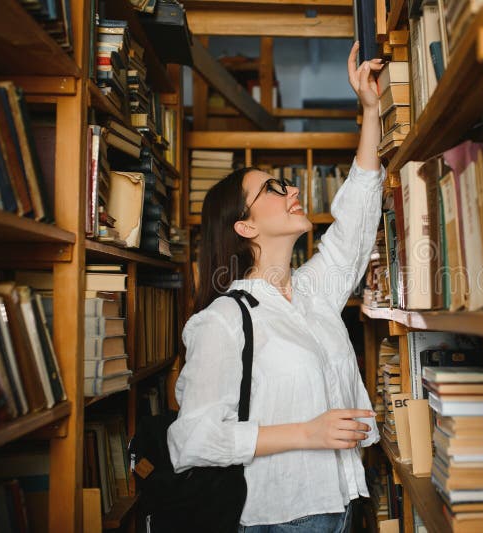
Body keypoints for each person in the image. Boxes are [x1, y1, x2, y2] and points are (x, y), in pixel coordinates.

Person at [167, 42, 385, 532]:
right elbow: (192, 440)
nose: (292, 190)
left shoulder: (313, 293)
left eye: (286, 184)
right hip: (282, 519)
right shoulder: (224, 320)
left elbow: (355, 219)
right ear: (244, 227)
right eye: (273, 188)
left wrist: (370, 111)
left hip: (344, 505)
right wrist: (306, 432)